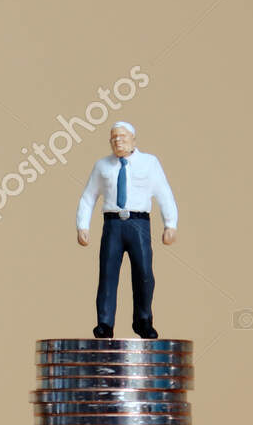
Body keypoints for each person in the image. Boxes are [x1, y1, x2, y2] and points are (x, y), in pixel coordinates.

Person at [75, 122, 178, 339]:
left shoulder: (149, 163)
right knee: (107, 273)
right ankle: (105, 323)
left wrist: (170, 224)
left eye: (122, 137)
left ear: (133, 139)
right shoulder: (102, 166)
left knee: (144, 273)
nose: (118, 141)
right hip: (112, 225)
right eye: (113, 137)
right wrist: (83, 225)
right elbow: (88, 197)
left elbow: (164, 193)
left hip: (139, 224)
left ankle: (143, 320)